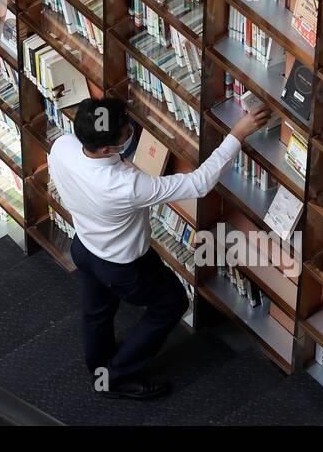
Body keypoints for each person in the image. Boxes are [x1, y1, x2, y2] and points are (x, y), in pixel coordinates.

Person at [49, 96, 272, 400]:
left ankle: (98, 367)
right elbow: (199, 184)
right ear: (106, 149)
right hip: (124, 267)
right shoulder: (126, 185)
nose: (130, 131)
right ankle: (117, 376)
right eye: (125, 133)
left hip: (85, 248)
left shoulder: (62, 146)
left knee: (96, 312)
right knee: (171, 303)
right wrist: (238, 134)